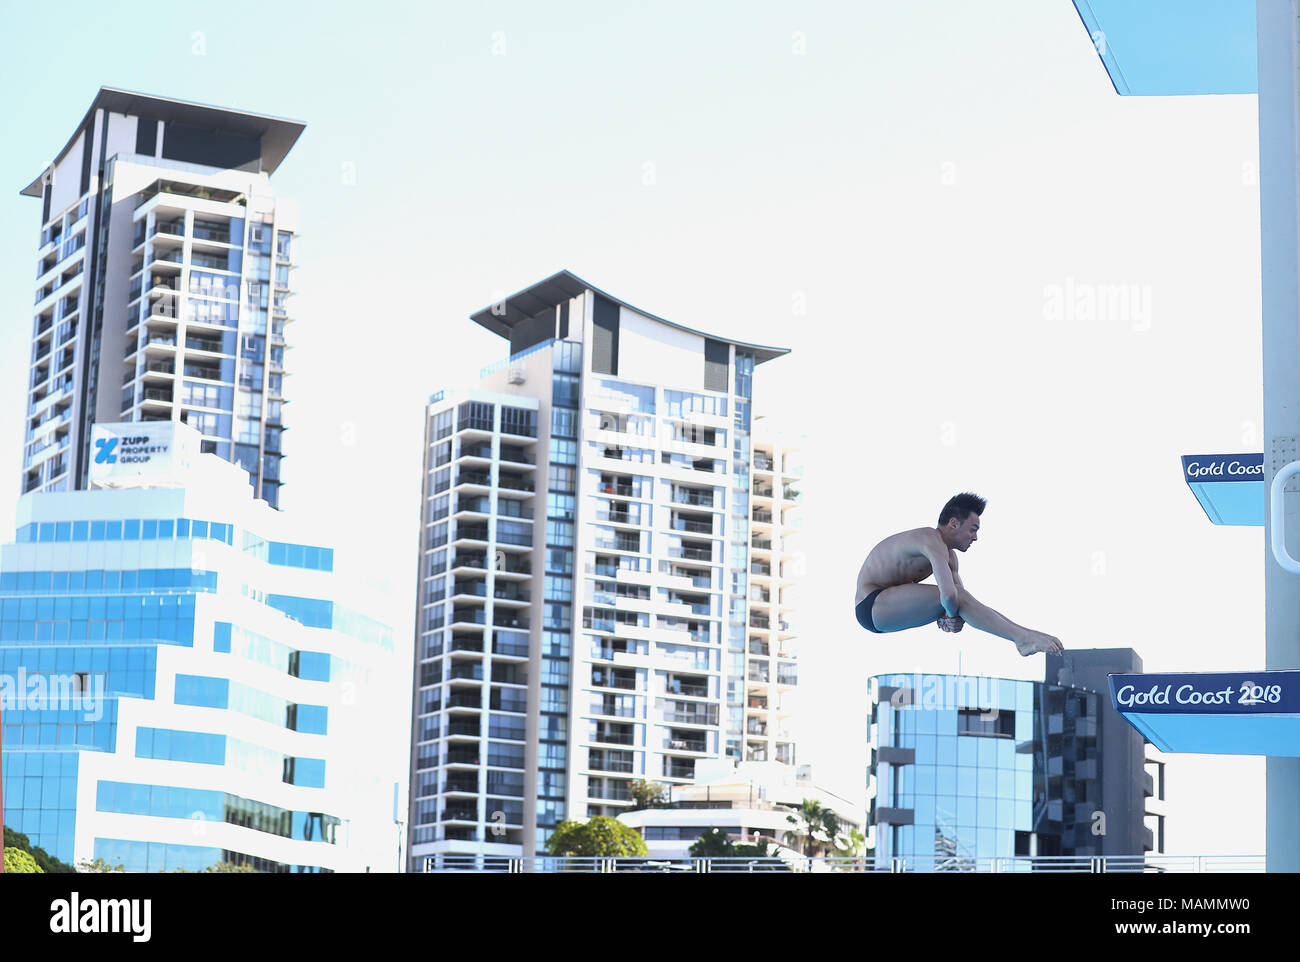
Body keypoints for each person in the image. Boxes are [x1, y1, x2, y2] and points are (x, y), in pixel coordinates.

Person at [853, 492, 1064, 656]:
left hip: (890, 606)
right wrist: (950, 613)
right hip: (870, 604)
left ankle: (1024, 635)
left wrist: (950, 619)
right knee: (956, 596)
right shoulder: (930, 539)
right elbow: (950, 598)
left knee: (962, 599)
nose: (976, 537)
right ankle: (1022, 638)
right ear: (954, 523)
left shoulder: (950, 558)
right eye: (973, 529)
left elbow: (963, 610)